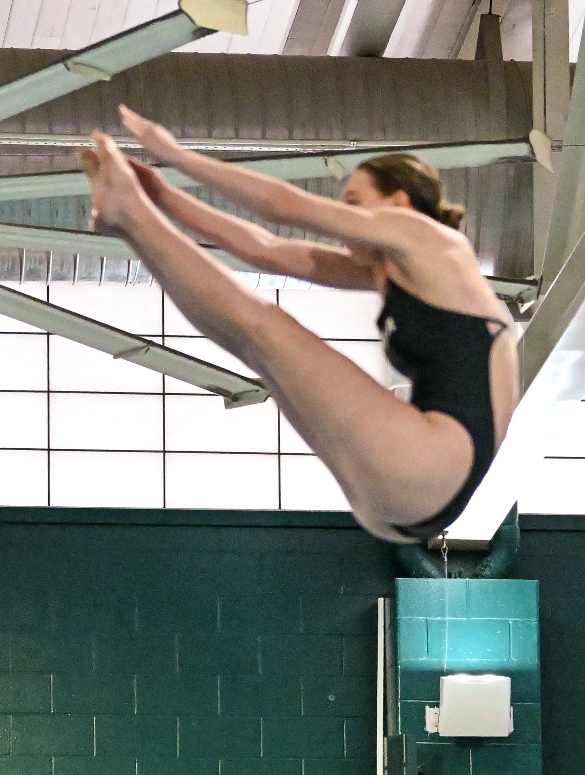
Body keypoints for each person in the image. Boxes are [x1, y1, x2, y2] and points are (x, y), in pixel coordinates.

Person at [80, 106, 519, 545]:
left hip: (428, 465)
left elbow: (284, 207)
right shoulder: (387, 271)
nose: (346, 223)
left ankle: (130, 216)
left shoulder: (430, 240)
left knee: (263, 327)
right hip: (409, 495)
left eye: (354, 205)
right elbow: (265, 249)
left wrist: (177, 157)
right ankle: (133, 219)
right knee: (258, 350)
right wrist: (163, 195)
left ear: (399, 202)